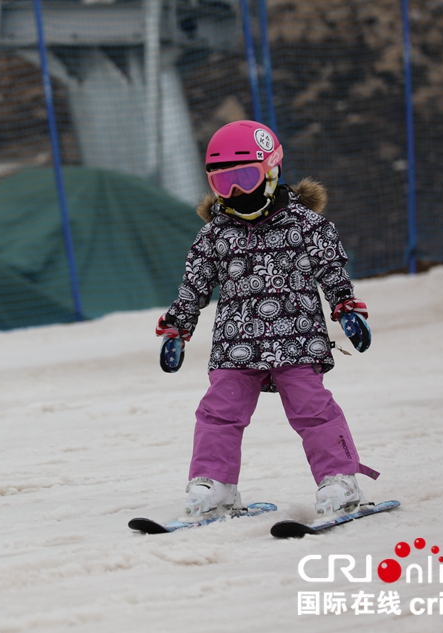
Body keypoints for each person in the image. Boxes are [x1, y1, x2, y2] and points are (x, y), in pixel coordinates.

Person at [156, 120, 378, 521]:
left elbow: (330, 269)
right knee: (218, 413)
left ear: (271, 170)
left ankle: (340, 480)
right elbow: (195, 286)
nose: (237, 192)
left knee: (313, 410)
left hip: (296, 337)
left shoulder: (306, 225)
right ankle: (214, 484)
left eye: (245, 178)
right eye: (225, 184)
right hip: (235, 343)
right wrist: (178, 328)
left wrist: (345, 307)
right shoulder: (214, 234)